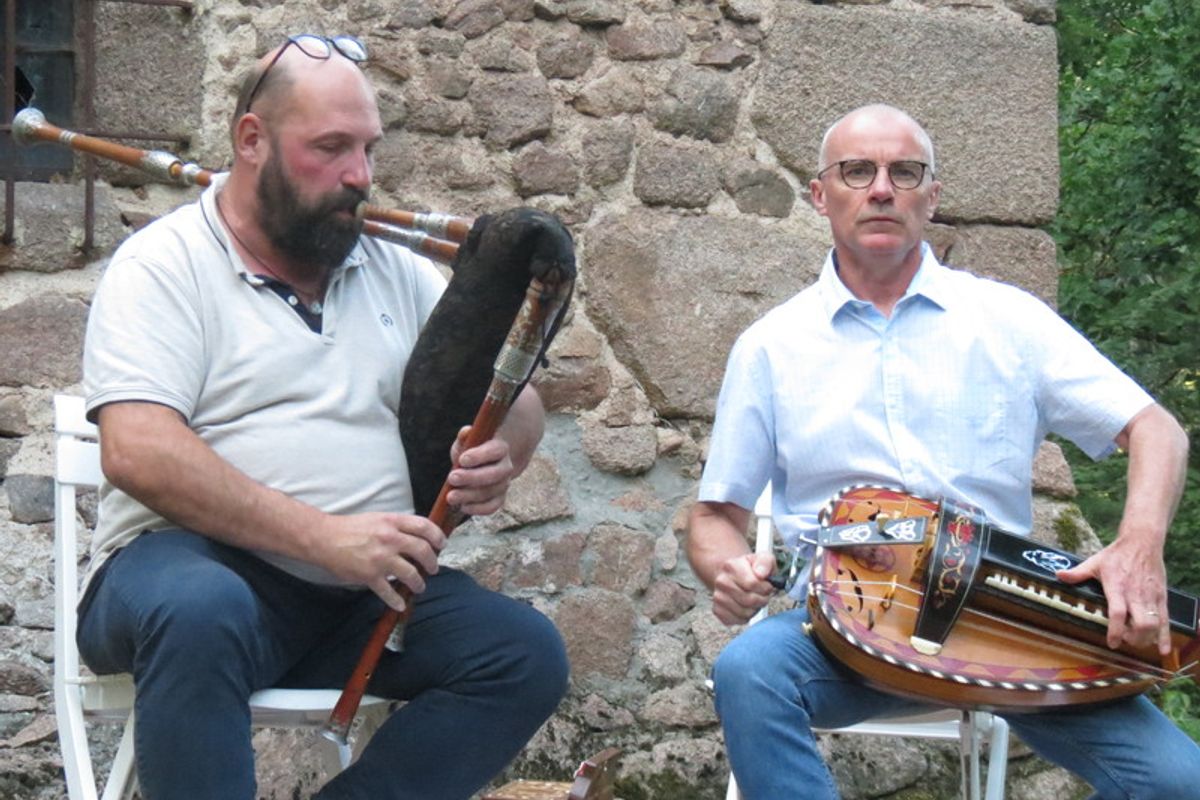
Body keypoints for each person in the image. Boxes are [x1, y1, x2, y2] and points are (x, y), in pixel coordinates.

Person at [78, 35, 568, 800]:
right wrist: (327, 540)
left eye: (367, 149)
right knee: (200, 608)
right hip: (185, 577)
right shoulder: (164, 263)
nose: (359, 177)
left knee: (520, 652)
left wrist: (505, 445)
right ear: (252, 142)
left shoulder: (395, 267)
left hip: (356, 602)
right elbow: (138, 450)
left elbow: (518, 401)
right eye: (331, 148)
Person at [687, 103, 1199, 799]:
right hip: (844, 630)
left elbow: (1156, 429)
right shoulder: (772, 346)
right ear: (819, 194)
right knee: (752, 670)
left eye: (905, 172)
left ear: (932, 196)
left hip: (1004, 627)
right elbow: (715, 516)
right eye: (856, 170)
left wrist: (1139, 543)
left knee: (1179, 782)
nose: (880, 188)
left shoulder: (1007, 320)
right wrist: (731, 568)